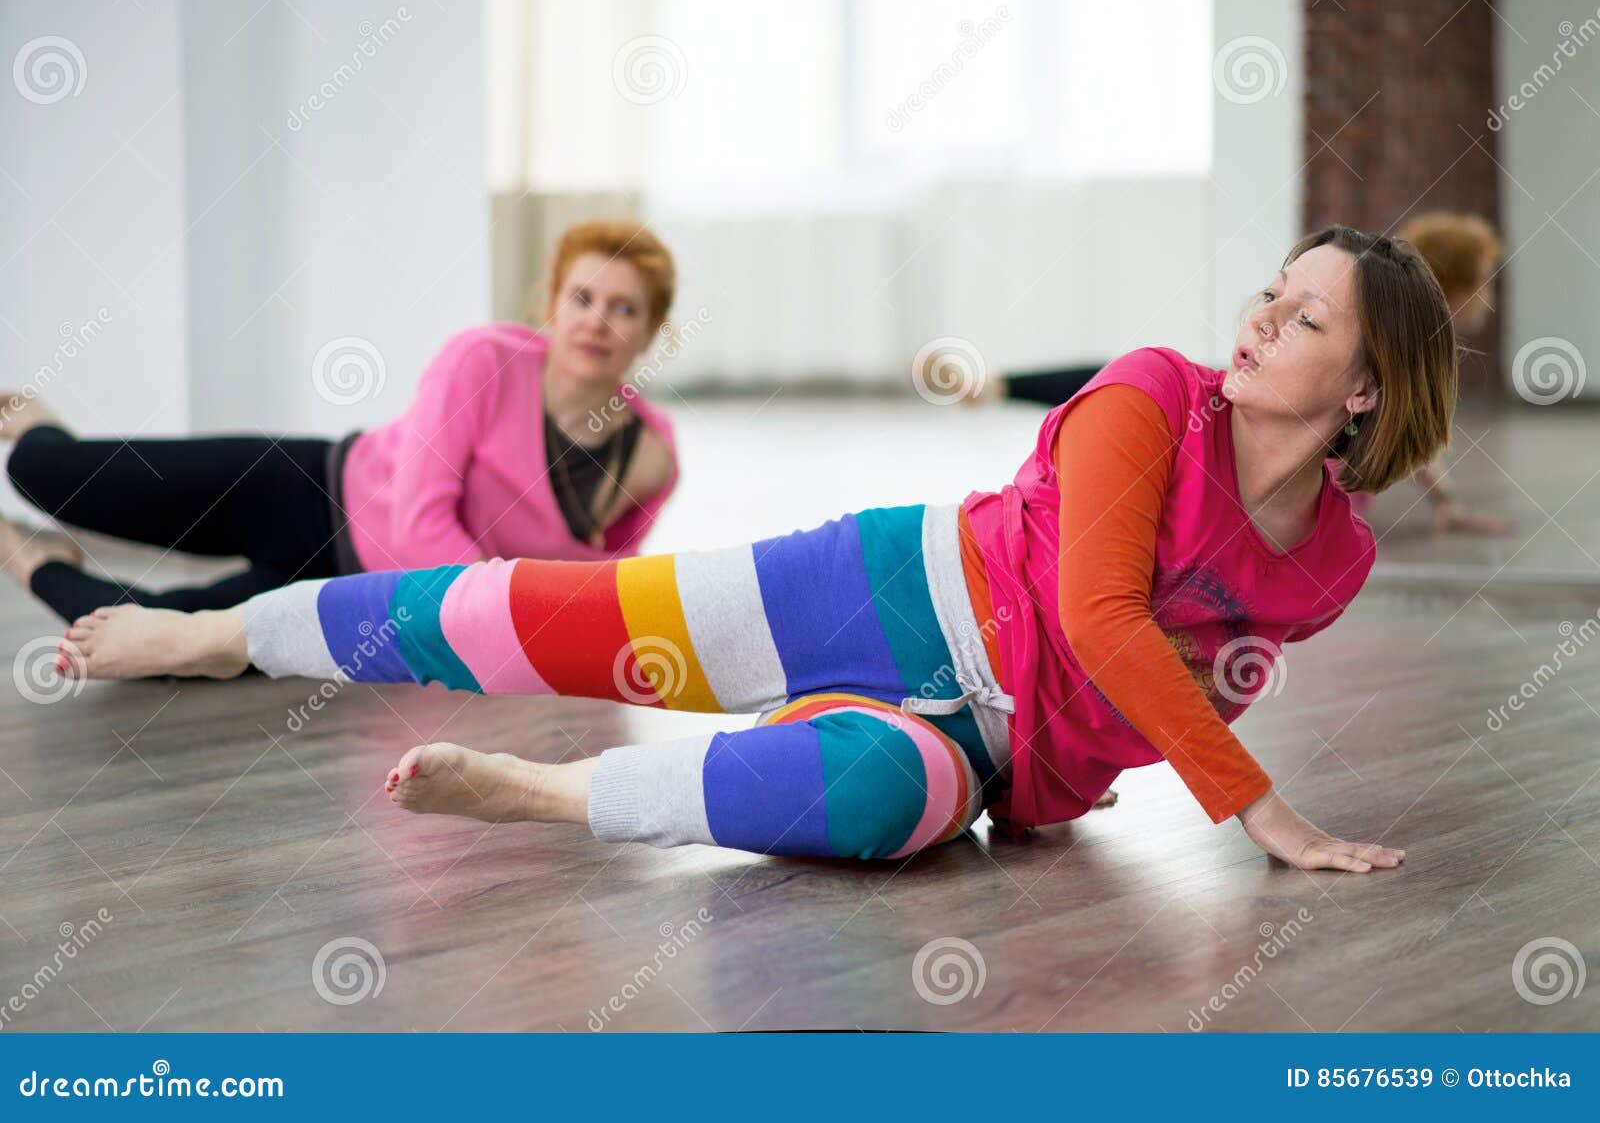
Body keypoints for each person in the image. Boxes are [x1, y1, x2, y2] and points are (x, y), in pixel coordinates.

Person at [56, 225, 1452, 875]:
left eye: (1304, 316)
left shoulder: (1331, 564)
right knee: (538, 616)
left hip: (984, 753)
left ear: (1369, 386)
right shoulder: (1150, 394)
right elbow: (1100, 618)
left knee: (881, 811)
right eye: (1270, 291)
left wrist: (1049, 789)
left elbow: (1184, 693)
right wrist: (1264, 812)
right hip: (886, 593)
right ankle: (224, 632)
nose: (1260, 317)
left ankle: (548, 798)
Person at [0, 221, 681, 621]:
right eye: (583, 296)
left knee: (147, 636)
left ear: (650, 331)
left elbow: (599, 584)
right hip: (304, 489)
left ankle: (28, 557)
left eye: (623, 308)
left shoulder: (651, 458)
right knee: (41, 472)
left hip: (359, 594)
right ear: (552, 303)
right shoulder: (483, 359)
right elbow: (419, 522)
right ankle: (38, 422)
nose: (596, 319)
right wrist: (495, 622)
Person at [941, 211, 1512, 537]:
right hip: (1275, 445)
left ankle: (998, 385)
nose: (1488, 298)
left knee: (1135, 380)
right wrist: (1447, 504)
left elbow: (1411, 443)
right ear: (1456, 286)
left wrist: (1445, 503)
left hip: (1287, 481)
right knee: (1134, 381)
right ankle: (999, 385)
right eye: (1272, 295)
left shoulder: (1389, 374)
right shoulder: (1371, 353)